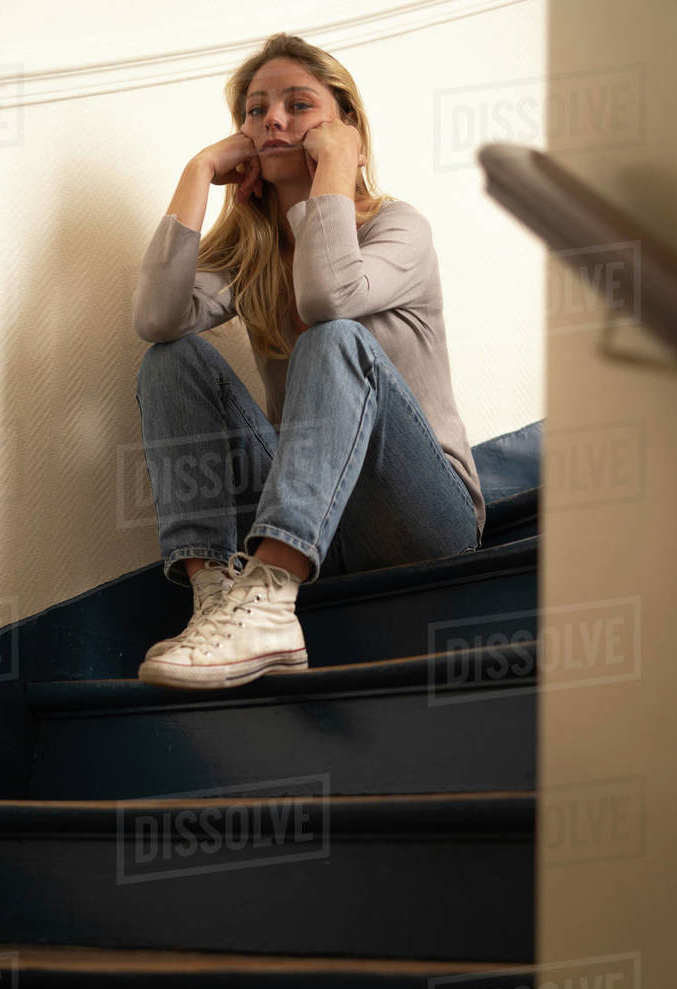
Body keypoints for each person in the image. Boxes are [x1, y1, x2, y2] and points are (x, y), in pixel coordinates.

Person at [132, 32, 486, 691]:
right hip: (316, 517)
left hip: (420, 516)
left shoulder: (397, 228)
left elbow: (329, 299)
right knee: (169, 359)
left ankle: (266, 596)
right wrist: (199, 172)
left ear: (345, 124)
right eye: (256, 108)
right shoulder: (253, 252)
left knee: (333, 339)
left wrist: (334, 169)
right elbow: (155, 318)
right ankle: (217, 599)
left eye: (298, 105)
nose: (272, 120)